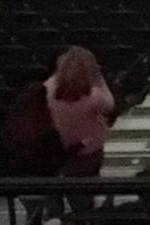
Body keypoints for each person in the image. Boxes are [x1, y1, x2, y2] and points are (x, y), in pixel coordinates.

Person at [45, 46, 115, 175]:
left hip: (59, 147)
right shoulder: (93, 92)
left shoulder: (48, 87)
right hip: (89, 149)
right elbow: (109, 105)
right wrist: (99, 79)